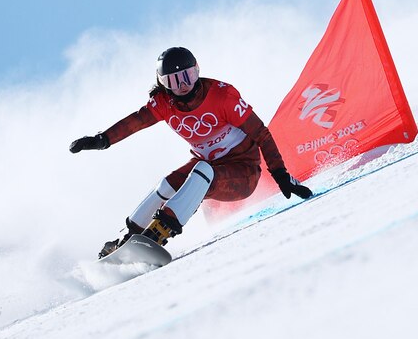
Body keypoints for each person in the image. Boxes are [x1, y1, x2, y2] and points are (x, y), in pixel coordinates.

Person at [69, 46, 313, 258]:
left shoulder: (222, 96)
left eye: (187, 76)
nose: (183, 85)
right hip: (205, 168)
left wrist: (280, 174)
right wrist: (102, 139)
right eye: (174, 81)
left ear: (197, 71)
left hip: (242, 172)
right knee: (168, 184)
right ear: (163, 84)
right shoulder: (165, 103)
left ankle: (161, 230)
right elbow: (136, 121)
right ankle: (129, 235)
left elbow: (262, 133)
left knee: (201, 169)